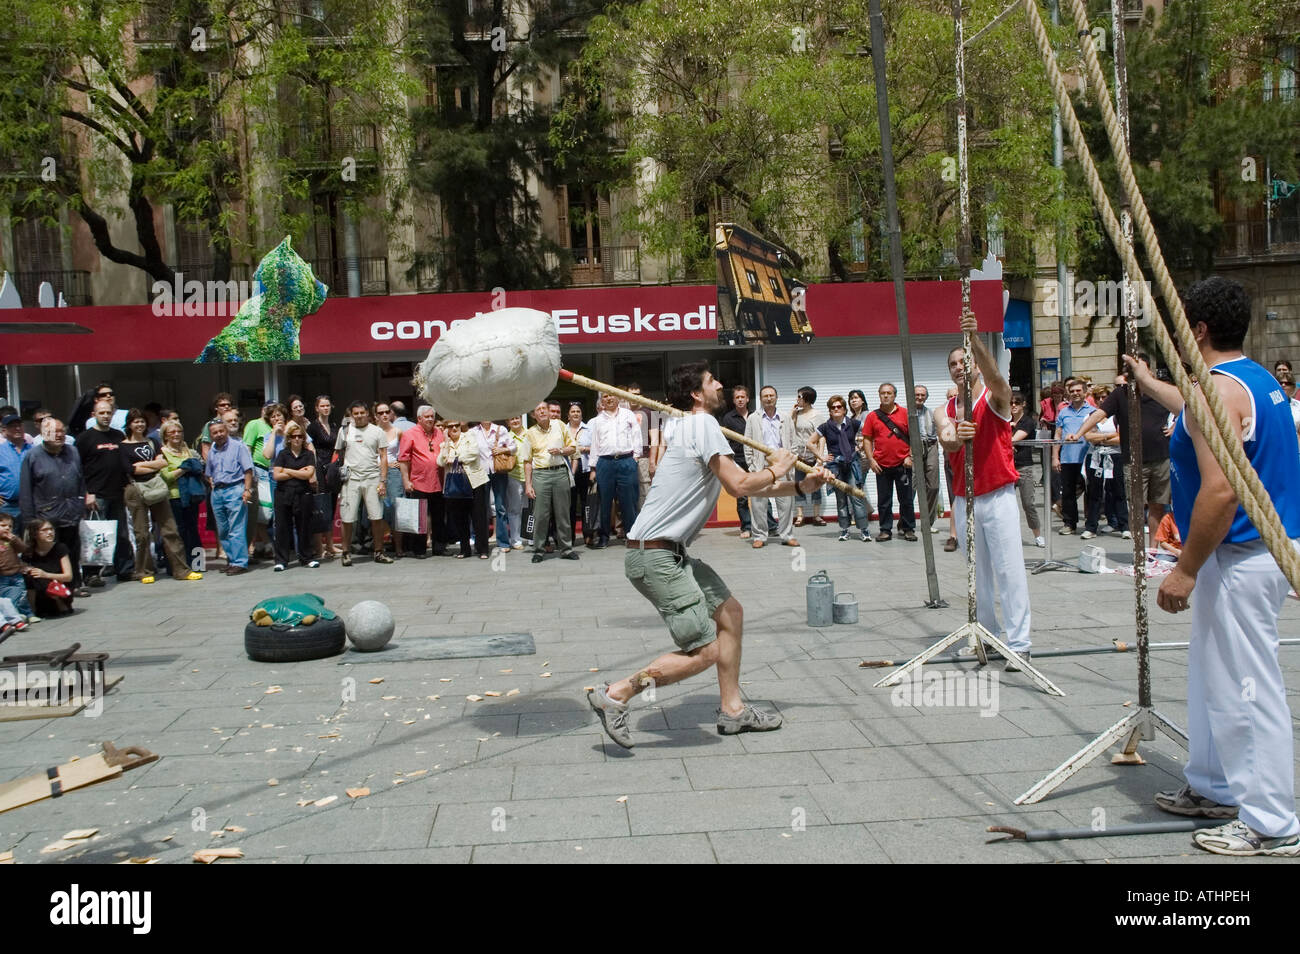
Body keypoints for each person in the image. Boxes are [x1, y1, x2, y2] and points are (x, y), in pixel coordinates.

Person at [1131, 276, 1300, 857]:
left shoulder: (1215, 395)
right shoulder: (1248, 381)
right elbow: (1198, 411)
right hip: (1252, 555)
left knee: (1246, 688)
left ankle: (1271, 820)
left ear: (1197, 330)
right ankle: (1215, 786)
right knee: (1211, 675)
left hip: (1238, 557)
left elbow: (1221, 491)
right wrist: (1152, 385)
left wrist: (1185, 570)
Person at [585, 361, 831, 748]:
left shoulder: (690, 426)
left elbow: (742, 489)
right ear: (698, 394)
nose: (721, 385)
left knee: (730, 613)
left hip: (671, 552)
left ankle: (733, 711)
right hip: (654, 556)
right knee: (705, 651)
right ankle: (616, 695)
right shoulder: (702, 424)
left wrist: (800, 487)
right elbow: (741, 483)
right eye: (713, 381)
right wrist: (778, 467)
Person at [934, 315, 1032, 668]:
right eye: (953, 365)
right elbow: (946, 438)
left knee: (1009, 571)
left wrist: (974, 338)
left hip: (999, 494)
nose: (959, 368)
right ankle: (988, 637)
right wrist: (955, 437)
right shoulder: (942, 408)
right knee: (978, 576)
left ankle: (1019, 643)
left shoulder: (996, 398)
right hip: (965, 500)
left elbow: (996, 378)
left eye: (964, 362)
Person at [1070, 354, 1172, 540]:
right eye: (1129, 370)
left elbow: (1189, 407)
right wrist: (1077, 434)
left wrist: (1174, 427)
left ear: (1148, 370)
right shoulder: (1120, 394)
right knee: (1136, 505)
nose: (1131, 373)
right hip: (1133, 460)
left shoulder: (1161, 390)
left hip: (1161, 457)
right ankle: (1139, 551)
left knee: (1158, 505)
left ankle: (1153, 552)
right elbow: (1098, 415)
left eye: (1136, 368)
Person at [120, 409, 201, 583]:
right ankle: (144, 571)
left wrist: (143, 464)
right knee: (142, 533)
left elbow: (163, 462)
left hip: (158, 487)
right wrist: (151, 465)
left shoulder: (152, 442)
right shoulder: (123, 446)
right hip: (135, 489)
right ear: (129, 425)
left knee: (171, 530)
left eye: (142, 421)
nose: (140, 424)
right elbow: (131, 469)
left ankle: (182, 569)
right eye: (136, 422)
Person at [19, 417, 89, 598]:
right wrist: (29, 521)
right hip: (47, 516)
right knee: (51, 554)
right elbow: (26, 490)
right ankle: (51, 589)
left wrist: (82, 501)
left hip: (71, 512)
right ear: (43, 434)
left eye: (62, 431)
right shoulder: (33, 456)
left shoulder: (73, 451)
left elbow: (81, 479)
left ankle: (74, 585)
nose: (59, 435)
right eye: (54, 432)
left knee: (72, 550)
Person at [72, 401, 133, 586]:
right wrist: (86, 493)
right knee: (96, 537)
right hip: (96, 495)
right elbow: (77, 469)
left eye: (109, 412)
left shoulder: (118, 435)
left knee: (122, 534)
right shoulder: (84, 438)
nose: (106, 416)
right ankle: (91, 574)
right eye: (102, 412)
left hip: (118, 493)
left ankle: (125, 570)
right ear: (94, 414)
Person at [335, 401, 393, 566]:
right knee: (347, 517)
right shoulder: (345, 431)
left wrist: (383, 481)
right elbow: (338, 454)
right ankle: (346, 553)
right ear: (352, 415)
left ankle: (378, 551)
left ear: (368, 413)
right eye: (356, 413)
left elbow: (383, 457)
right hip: (351, 478)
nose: (359, 416)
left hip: (372, 478)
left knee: (376, 517)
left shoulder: (377, 432)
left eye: (362, 413)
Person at [744, 385, 797, 548]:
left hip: (781, 464)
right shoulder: (754, 418)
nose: (768, 398)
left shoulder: (786, 418)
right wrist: (752, 466)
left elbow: (793, 442)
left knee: (786, 502)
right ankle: (759, 536)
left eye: (771, 395)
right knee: (759, 503)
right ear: (760, 398)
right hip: (761, 465)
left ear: (776, 397)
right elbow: (747, 443)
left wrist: (790, 463)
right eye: (765, 395)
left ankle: (787, 535)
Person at [862, 382, 916, 541]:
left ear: (894, 395)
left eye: (889, 393)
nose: (885, 395)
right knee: (884, 500)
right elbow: (867, 439)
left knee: (906, 499)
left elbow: (914, 436)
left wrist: (910, 456)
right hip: (881, 466)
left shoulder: (905, 413)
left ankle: (908, 528)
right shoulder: (873, 416)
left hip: (903, 465)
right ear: (879, 395)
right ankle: (885, 529)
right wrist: (871, 460)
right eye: (883, 393)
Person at [524, 401, 577, 563]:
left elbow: (573, 447)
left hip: (560, 472)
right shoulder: (530, 433)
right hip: (540, 475)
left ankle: (566, 549)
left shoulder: (559, 425)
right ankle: (539, 550)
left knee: (563, 514)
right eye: (538, 410)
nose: (541, 412)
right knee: (540, 515)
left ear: (548, 411)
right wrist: (528, 484)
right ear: (533, 415)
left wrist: (561, 450)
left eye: (544, 409)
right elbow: (527, 461)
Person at [587, 391, 640, 549]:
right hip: (605, 462)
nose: (609, 398)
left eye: (611, 395)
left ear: (617, 398)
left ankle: (631, 535)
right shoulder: (597, 421)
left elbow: (636, 435)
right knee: (605, 501)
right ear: (601, 401)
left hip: (626, 461)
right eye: (605, 397)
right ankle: (604, 537)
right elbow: (594, 444)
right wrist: (593, 467)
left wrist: (635, 457)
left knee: (628, 501)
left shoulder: (628, 415)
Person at [814, 394, 870, 541]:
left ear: (845, 409)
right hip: (835, 467)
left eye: (839, 406)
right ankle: (844, 530)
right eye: (833, 407)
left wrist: (861, 447)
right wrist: (822, 457)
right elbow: (810, 443)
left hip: (852, 464)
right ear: (830, 411)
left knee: (856, 496)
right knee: (841, 500)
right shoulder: (825, 427)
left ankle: (864, 529)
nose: (836, 409)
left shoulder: (853, 423)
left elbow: (869, 435)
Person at [204, 417, 254, 575]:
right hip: (217, 492)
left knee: (236, 528)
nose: (219, 434)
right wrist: (211, 482)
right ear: (211, 435)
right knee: (223, 529)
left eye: (221, 431)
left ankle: (240, 562)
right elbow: (208, 471)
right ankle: (231, 560)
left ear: (226, 430)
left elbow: (248, 470)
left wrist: (247, 490)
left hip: (235, 489)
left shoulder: (238, 446)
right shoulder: (212, 448)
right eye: (215, 432)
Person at [1080, 386, 1129, 540]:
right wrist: (1109, 436)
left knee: (1118, 490)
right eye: (1098, 397)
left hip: (1115, 455)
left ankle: (1124, 525)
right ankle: (1091, 527)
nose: (1102, 400)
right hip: (1095, 456)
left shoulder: (1118, 416)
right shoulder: (1090, 416)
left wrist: (1100, 436)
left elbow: (1121, 438)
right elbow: (1088, 436)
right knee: (1094, 492)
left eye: (1104, 397)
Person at [397, 406, 445, 558]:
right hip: (419, 481)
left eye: (432, 416)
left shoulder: (440, 433)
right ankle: (419, 549)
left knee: (438, 516)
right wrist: (406, 480)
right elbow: (403, 460)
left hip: (438, 481)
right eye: (427, 417)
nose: (430, 419)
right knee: (420, 518)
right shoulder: (409, 434)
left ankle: (439, 547)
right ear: (419, 419)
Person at [271, 422, 319, 571]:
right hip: (283, 493)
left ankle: (307, 557)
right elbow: (276, 476)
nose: (297, 439)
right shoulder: (283, 454)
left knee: (304, 525)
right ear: (289, 438)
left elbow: (308, 474)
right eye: (294, 436)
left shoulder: (308, 454)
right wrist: (298, 471)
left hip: (303, 493)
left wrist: (288, 470)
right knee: (282, 527)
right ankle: (281, 560)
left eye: (300, 436)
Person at [158, 420, 204, 568]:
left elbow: (199, 467)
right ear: (165, 436)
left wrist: (190, 465)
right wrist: (185, 468)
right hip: (174, 497)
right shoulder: (162, 453)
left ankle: (197, 563)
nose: (176, 434)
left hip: (191, 496)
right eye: (172, 432)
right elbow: (167, 477)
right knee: (179, 532)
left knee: (193, 531)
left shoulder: (189, 451)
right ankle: (179, 565)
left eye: (179, 431)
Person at [1052, 379, 1092, 535]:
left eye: (1078, 391)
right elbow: (1058, 434)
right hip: (1068, 458)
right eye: (1072, 391)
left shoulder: (1092, 411)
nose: (1075, 393)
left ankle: (1090, 525)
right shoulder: (1063, 412)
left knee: (1090, 492)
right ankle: (1069, 523)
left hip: (1087, 457)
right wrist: (1055, 457)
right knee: (1068, 492)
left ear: (1084, 392)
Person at [307, 394, 342, 560]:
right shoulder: (313, 427)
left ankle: (330, 544)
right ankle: (318, 546)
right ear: (317, 408)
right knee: (319, 507)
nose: (326, 408)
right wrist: (313, 472)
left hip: (332, 469)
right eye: (322, 406)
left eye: (328, 405)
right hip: (318, 467)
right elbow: (309, 450)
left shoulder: (334, 425)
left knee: (331, 506)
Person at [1008, 391, 1045, 547]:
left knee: (1028, 503)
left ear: (1023, 404)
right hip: (1007, 466)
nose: (1013, 405)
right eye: (1011, 403)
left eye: (1017, 402)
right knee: (1006, 505)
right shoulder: (1005, 421)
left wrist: (1008, 433)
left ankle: (1037, 535)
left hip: (1024, 466)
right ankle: (1008, 535)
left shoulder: (1028, 421)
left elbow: (1013, 440)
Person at [373, 402, 408, 559]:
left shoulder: (398, 431)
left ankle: (398, 546)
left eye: (387, 411)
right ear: (376, 416)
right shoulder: (372, 432)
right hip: (376, 473)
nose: (384, 415)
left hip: (394, 474)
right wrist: (384, 463)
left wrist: (399, 466)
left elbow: (404, 454)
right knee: (378, 510)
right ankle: (378, 547)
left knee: (397, 509)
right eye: (380, 413)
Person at [474, 418, 514, 553]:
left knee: (500, 506)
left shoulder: (500, 429)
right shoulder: (474, 432)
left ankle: (503, 542)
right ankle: (482, 544)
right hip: (481, 472)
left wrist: (502, 450)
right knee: (482, 509)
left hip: (499, 471)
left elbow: (514, 447)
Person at [788, 386, 826, 526]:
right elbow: (789, 429)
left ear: (807, 399)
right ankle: (800, 516)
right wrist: (792, 412)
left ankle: (816, 515)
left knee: (816, 485)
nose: (797, 399)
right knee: (799, 484)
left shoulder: (818, 415)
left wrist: (820, 457)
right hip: (799, 456)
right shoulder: (797, 414)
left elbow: (822, 436)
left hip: (813, 455)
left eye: (800, 396)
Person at [23, 519, 75, 617]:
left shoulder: (60, 548)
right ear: (35, 534)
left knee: (43, 578)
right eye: (44, 530)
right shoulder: (29, 552)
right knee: (30, 577)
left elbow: (68, 576)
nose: (50, 532)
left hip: (60, 587)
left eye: (51, 529)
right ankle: (32, 609)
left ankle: (61, 603)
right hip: (39, 591)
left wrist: (45, 575)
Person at [720, 386, 753, 539]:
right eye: (737, 397)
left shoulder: (756, 416)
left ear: (747, 399)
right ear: (733, 400)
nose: (740, 399)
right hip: (738, 460)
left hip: (755, 459)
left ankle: (770, 525)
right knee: (742, 496)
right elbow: (724, 441)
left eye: (742, 397)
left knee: (762, 493)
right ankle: (746, 527)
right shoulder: (728, 418)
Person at [913, 384, 942, 534]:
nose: (919, 397)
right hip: (912, 447)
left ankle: (928, 522)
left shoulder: (931, 413)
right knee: (910, 488)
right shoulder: (905, 413)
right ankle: (906, 524)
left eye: (922, 395)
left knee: (933, 486)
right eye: (916, 394)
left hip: (930, 446)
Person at [564, 404, 593, 549]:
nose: (575, 414)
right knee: (570, 504)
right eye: (572, 412)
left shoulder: (589, 429)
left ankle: (588, 534)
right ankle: (570, 537)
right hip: (568, 471)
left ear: (581, 415)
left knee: (586, 503)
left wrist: (584, 449)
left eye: (578, 411)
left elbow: (597, 448)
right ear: (568, 416)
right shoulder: (562, 429)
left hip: (586, 469)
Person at [503, 415, 531, 551]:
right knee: (514, 509)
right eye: (512, 419)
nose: (515, 421)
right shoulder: (506, 437)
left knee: (531, 509)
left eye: (517, 418)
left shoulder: (530, 433)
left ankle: (531, 537)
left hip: (530, 476)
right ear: (508, 422)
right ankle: (516, 539)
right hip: (513, 476)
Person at [0, 513, 34, 621]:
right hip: (2, 576)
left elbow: (23, 549)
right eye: (3, 525)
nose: (7, 528)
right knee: (8, 597)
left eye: (10, 526)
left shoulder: (12, 540)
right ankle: (14, 614)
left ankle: (28, 614)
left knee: (22, 594)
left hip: (16, 574)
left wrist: (14, 540)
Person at [0, 413, 29, 530]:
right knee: (7, 542)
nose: (17, 428)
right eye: (13, 426)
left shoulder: (34, 450)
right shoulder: (1, 451)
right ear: (4, 430)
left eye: (19, 425)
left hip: (30, 505)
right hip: (7, 505)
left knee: (29, 542)